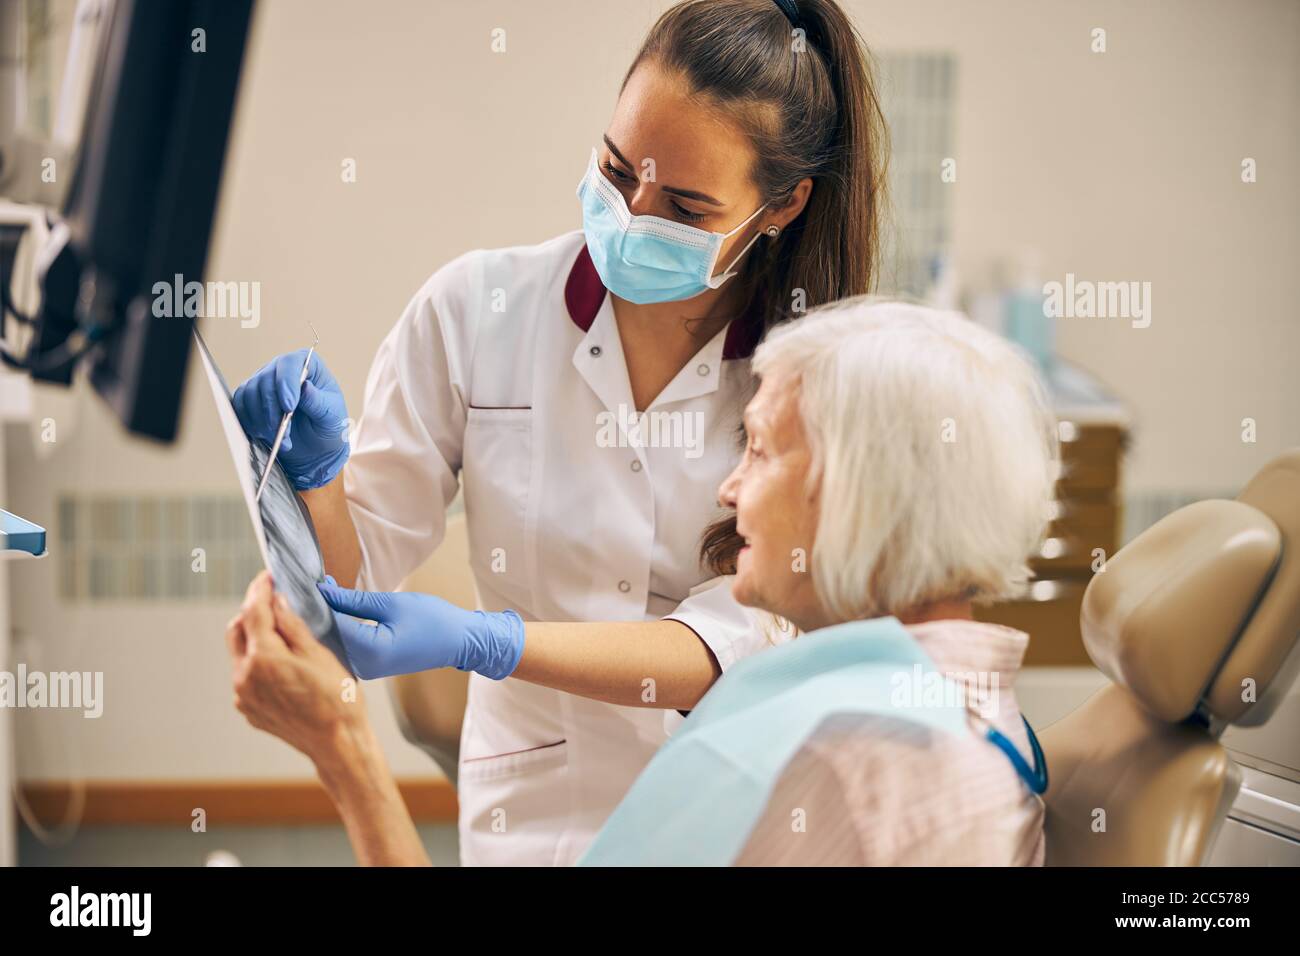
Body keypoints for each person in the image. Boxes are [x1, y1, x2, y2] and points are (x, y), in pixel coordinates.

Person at [231, 0, 888, 865]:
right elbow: (353, 586)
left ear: (781, 206)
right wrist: (312, 481)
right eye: (618, 172)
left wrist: (493, 643)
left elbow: (742, 636)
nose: (631, 215)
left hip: (730, 801)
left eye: (685, 209)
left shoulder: (810, 379)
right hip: (528, 803)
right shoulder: (476, 311)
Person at [226, 299, 1059, 866]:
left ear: (862, 494)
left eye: (760, 450)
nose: (729, 492)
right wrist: (323, 488)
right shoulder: (960, 716)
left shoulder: (853, 766)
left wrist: (344, 752)